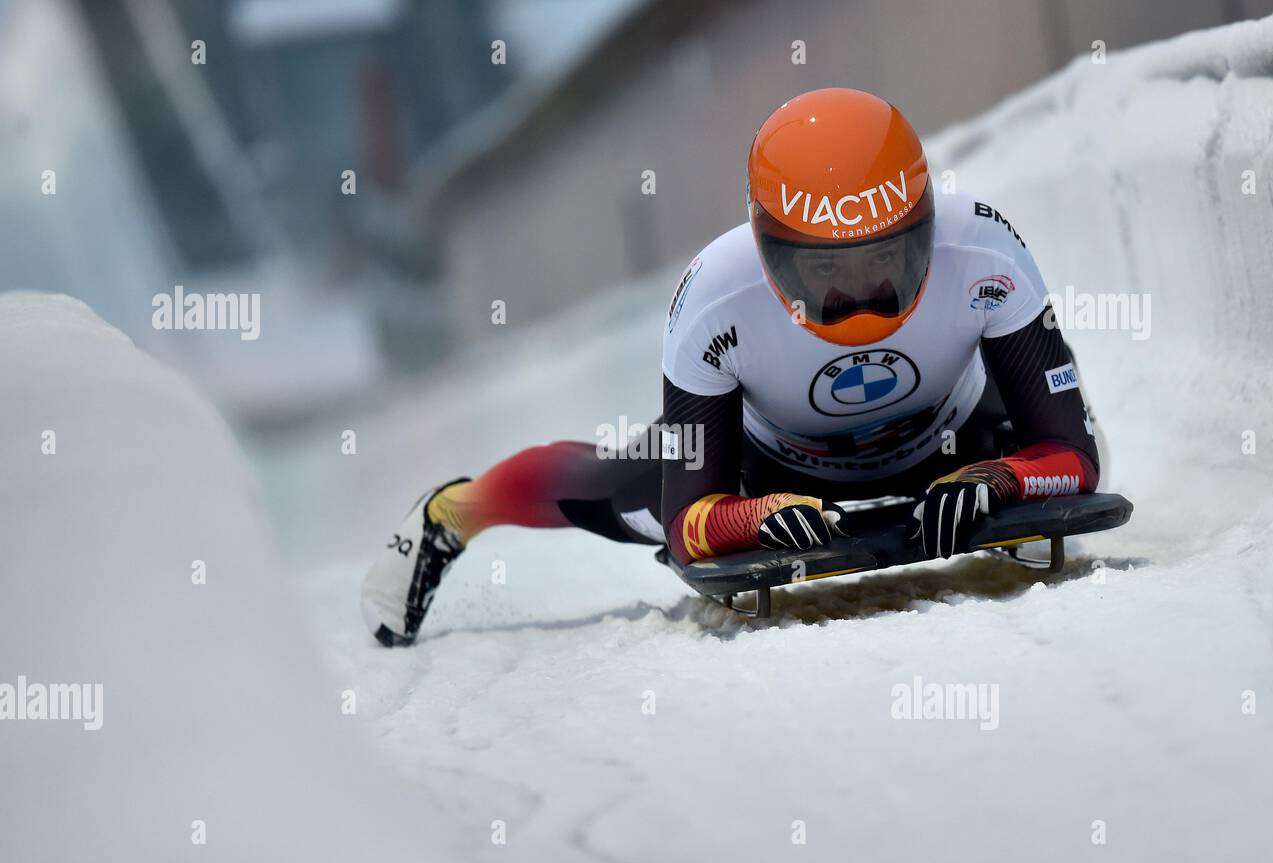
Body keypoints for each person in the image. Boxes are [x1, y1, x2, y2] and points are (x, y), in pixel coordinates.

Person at [360, 88, 1101, 647]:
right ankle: (454, 511)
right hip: (766, 464)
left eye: (885, 258)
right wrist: (751, 514)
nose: (858, 301)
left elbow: (1075, 451)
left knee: (1038, 422)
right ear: (769, 250)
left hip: (957, 442)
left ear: (927, 225)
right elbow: (688, 522)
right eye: (824, 273)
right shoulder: (716, 295)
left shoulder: (986, 251)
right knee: (606, 487)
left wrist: (1005, 475)